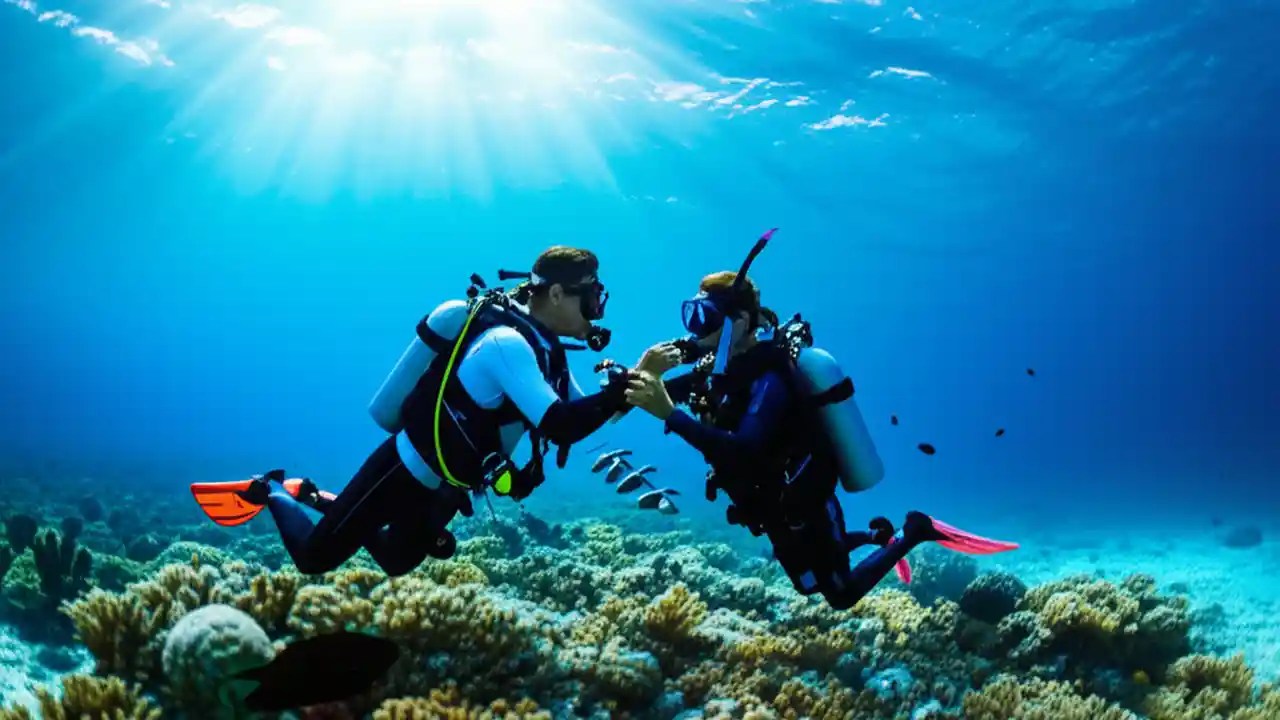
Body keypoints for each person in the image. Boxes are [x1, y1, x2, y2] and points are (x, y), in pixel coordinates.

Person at [192, 246, 680, 577]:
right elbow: (560, 424)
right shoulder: (507, 345)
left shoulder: (546, 352)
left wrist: (645, 377)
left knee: (397, 561)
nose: (597, 311)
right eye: (593, 298)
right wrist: (629, 386)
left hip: (451, 482)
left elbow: (583, 420)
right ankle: (272, 488)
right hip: (405, 469)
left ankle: (314, 495)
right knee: (315, 559)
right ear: (556, 294)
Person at [624, 263, 1016, 609]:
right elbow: (647, 393)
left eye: (705, 317)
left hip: (804, 502)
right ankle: (876, 535)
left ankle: (915, 530)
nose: (695, 330)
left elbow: (744, 450)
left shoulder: (768, 377)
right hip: (770, 508)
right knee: (807, 584)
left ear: (739, 322)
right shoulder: (719, 373)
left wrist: (670, 415)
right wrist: (636, 377)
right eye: (690, 315)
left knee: (840, 594)